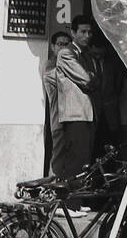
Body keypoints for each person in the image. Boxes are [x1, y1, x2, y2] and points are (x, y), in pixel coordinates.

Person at [51, 16, 99, 179]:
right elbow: (87, 79)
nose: (87, 36)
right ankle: (71, 202)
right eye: (83, 32)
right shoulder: (66, 53)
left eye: (89, 32)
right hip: (75, 115)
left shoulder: (87, 55)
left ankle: (76, 200)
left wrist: (91, 77)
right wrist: (90, 77)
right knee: (75, 162)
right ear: (73, 33)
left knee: (84, 161)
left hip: (87, 114)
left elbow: (96, 79)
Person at [41, 30, 72, 177]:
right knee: (57, 160)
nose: (63, 48)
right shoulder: (50, 66)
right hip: (59, 120)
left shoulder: (68, 65)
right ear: (53, 47)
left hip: (72, 119)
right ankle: (50, 192)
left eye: (67, 44)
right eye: (60, 44)